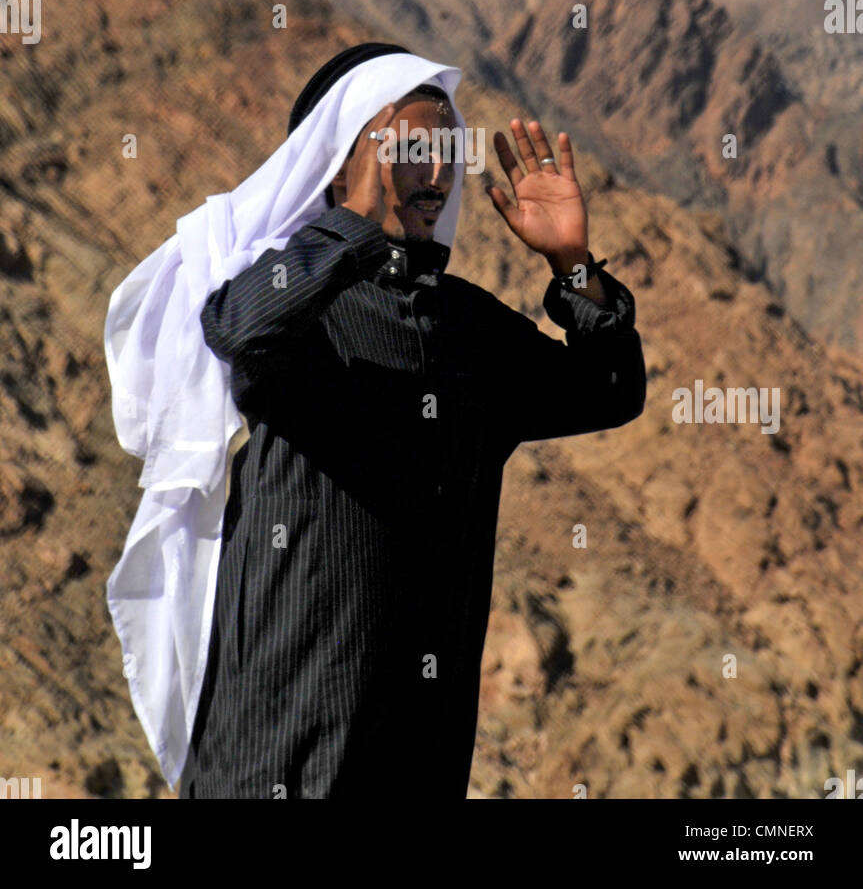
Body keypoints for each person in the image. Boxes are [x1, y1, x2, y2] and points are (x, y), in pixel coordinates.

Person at [172, 41, 646, 798]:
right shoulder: (295, 303)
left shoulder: (467, 330)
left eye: (445, 149)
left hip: (415, 762)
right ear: (337, 162)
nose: (434, 172)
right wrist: (355, 216)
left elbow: (609, 389)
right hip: (275, 759)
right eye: (409, 148)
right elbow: (237, 329)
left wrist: (574, 268)